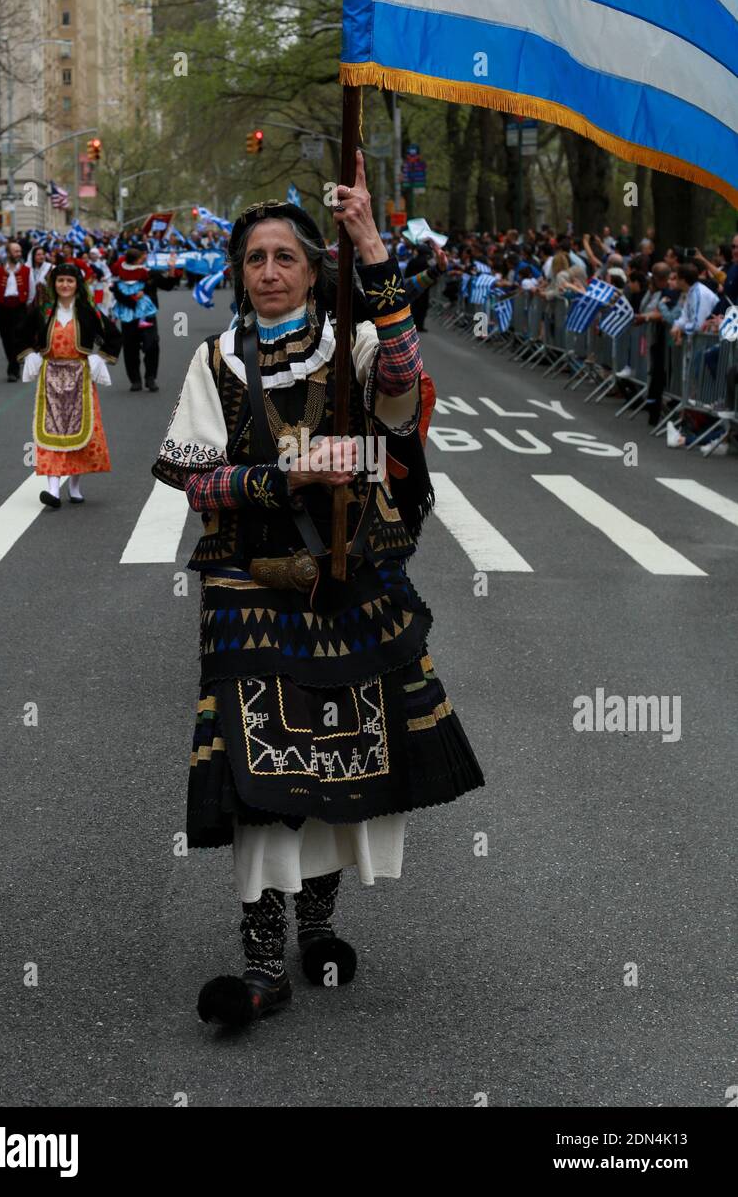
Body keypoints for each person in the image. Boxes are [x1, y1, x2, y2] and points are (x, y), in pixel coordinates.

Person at [152, 153, 485, 1029]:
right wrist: (283, 478)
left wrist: (372, 240)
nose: (267, 272)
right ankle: (261, 964)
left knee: (341, 763)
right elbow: (191, 479)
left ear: (312, 267)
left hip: (351, 586)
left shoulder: (354, 342)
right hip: (246, 587)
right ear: (237, 275)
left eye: (285, 258)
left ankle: (318, 932)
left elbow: (403, 392)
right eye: (253, 259)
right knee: (259, 773)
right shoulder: (215, 361)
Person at [18, 262, 121, 508]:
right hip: (50, 377)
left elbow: (113, 335)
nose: (65, 285)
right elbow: (20, 333)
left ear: (77, 285)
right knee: (50, 432)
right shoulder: (43, 310)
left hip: (80, 379)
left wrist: (100, 357)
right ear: (54, 284)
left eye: (70, 281)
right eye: (60, 280)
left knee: (81, 432)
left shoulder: (88, 311)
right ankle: (52, 489)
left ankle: (75, 486)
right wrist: (30, 353)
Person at [112, 247, 179, 392]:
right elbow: (117, 292)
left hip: (148, 316)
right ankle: (135, 380)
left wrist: (172, 268)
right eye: (143, 254)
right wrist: (133, 299)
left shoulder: (150, 273)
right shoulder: (121, 274)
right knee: (130, 349)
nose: (145, 256)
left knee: (152, 345)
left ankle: (150, 378)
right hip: (128, 316)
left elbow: (167, 285)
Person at [0, 239, 35, 381]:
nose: (19, 253)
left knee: (16, 339)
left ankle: (13, 369)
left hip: (19, 307)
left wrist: (26, 306)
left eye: (19, 251)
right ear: (8, 253)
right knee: (6, 338)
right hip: (4, 308)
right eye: (16, 251)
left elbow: (31, 291)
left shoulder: (26, 270)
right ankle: (13, 363)